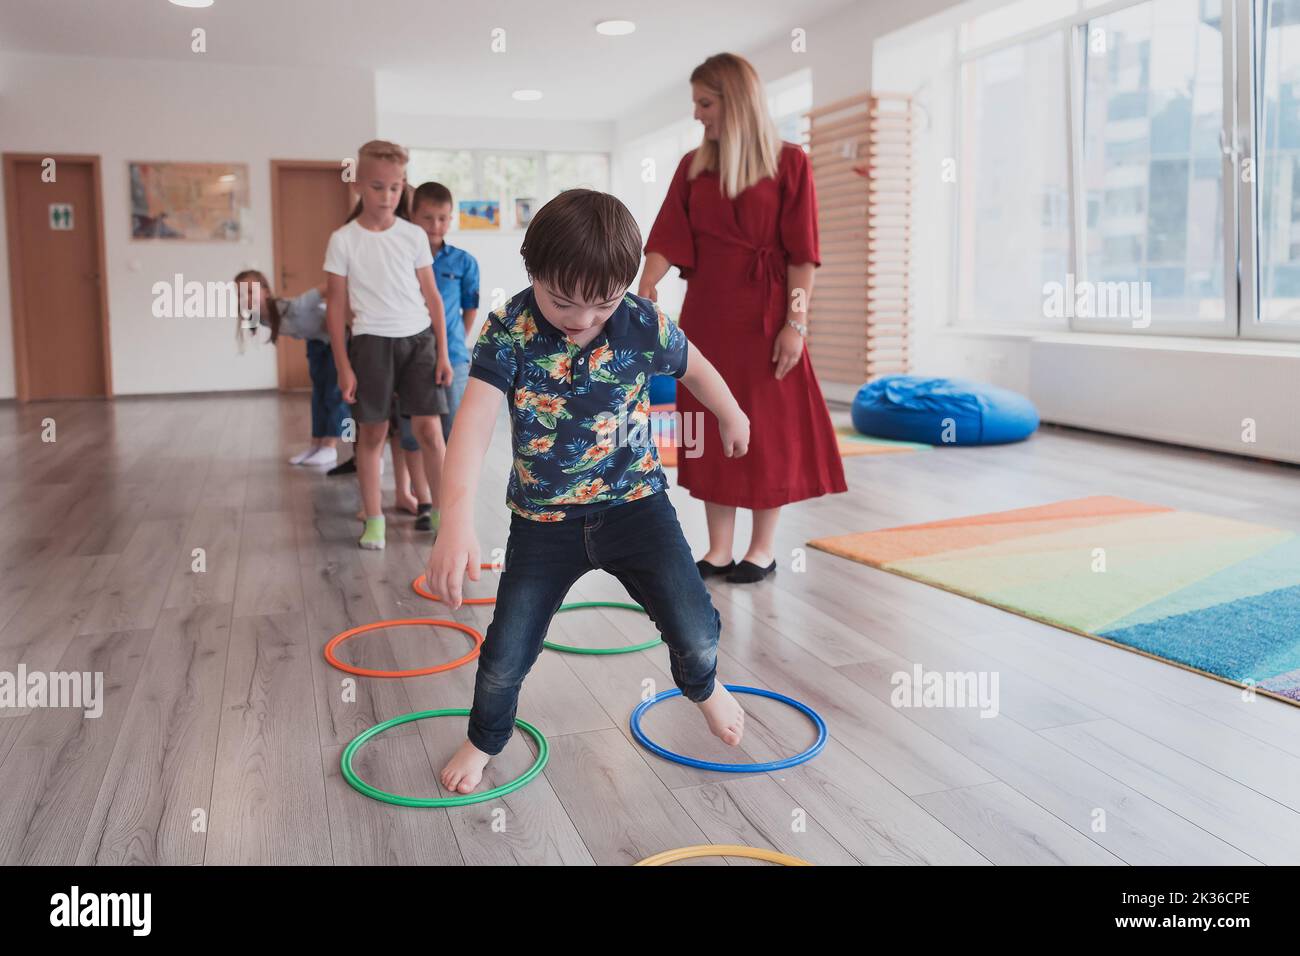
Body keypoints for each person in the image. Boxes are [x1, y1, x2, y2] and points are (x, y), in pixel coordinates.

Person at [425, 189, 749, 795]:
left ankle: (704, 685)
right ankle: (485, 736)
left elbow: (696, 367)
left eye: (602, 304)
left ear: (625, 285)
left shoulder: (641, 321)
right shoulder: (511, 329)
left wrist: (730, 415)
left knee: (695, 627)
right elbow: (470, 424)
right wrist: (456, 520)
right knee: (505, 652)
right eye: (562, 300)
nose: (581, 318)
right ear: (532, 273)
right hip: (543, 520)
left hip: (636, 506)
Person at [640, 52, 847, 584]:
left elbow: (804, 257)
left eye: (704, 103)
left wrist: (795, 325)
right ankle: (718, 549)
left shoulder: (791, 163)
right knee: (709, 423)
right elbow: (665, 236)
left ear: (735, 101)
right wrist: (645, 285)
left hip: (768, 318)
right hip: (709, 314)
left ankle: (761, 549)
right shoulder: (693, 167)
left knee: (767, 431)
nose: (697, 114)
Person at [324, 140, 452, 548]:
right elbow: (336, 307)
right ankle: (374, 519)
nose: (387, 196)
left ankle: (444, 517)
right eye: (378, 187)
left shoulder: (413, 235)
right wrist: (343, 366)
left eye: (395, 188)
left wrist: (444, 352)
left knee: (430, 431)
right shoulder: (343, 240)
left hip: (419, 342)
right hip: (371, 343)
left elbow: (433, 298)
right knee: (373, 433)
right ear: (359, 183)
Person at [234, 270, 345, 467]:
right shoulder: (259, 317)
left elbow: (328, 286)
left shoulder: (294, 307)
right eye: (240, 293)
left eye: (251, 291)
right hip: (317, 343)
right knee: (318, 395)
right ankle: (316, 445)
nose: (245, 298)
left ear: (266, 292)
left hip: (338, 341)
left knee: (334, 394)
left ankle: (331, 446)